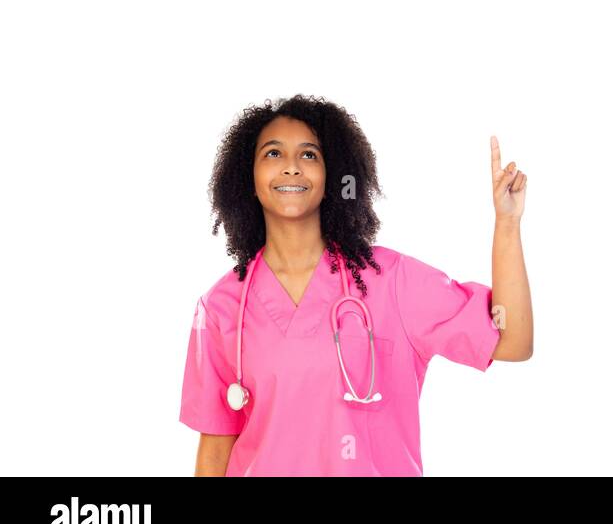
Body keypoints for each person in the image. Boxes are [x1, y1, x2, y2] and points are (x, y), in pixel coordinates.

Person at [181, 94, 533, 476]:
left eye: (310, 155)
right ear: (246, 180)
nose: (292, 167)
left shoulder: (392, 281)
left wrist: (508, 225)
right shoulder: (220, 307)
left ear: (334, 177)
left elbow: (513, 340)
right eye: (272, 154)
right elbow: (215, 452)